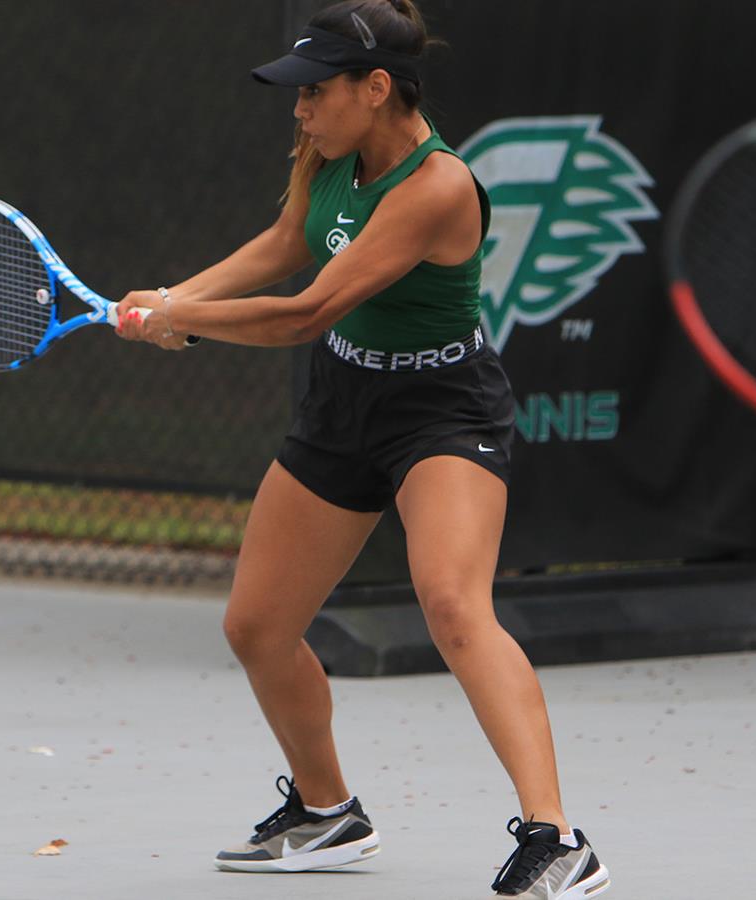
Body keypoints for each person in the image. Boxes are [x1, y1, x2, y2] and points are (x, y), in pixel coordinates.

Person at [115, 2, 610, 896]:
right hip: (345, 399)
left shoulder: (438, 187)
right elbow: (283, 244)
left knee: (455, 606)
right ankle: (326, 811)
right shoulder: (327, 154)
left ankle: (560, 839)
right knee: (257, 627)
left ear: (376, 89)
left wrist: (183, 319)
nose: (299, 110)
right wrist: (172, 297)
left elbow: (307, 309)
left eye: (315, 92)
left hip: (442, 410)